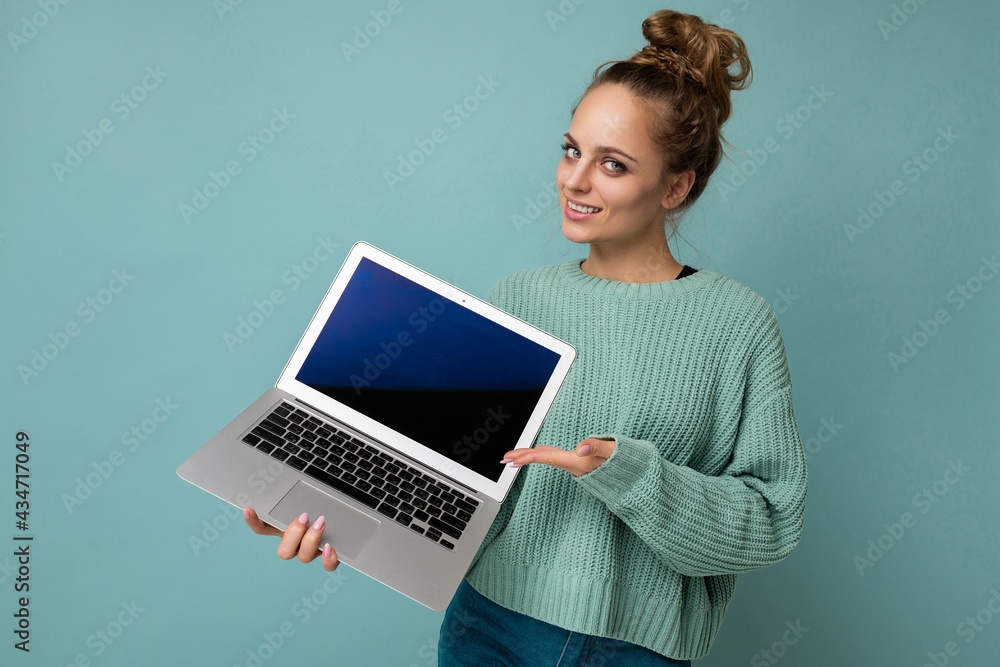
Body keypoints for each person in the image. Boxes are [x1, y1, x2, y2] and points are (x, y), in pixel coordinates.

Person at [245, 8, 808, 665]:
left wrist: (624, 471)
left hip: (635, 650)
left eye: (614, 164)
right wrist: (326, 509)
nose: (575, 179)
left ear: (676, 186)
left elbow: (770, 521)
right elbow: (455, 479)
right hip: (488, 625)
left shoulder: (737, 323)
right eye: (572, 150)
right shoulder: (517, 299)